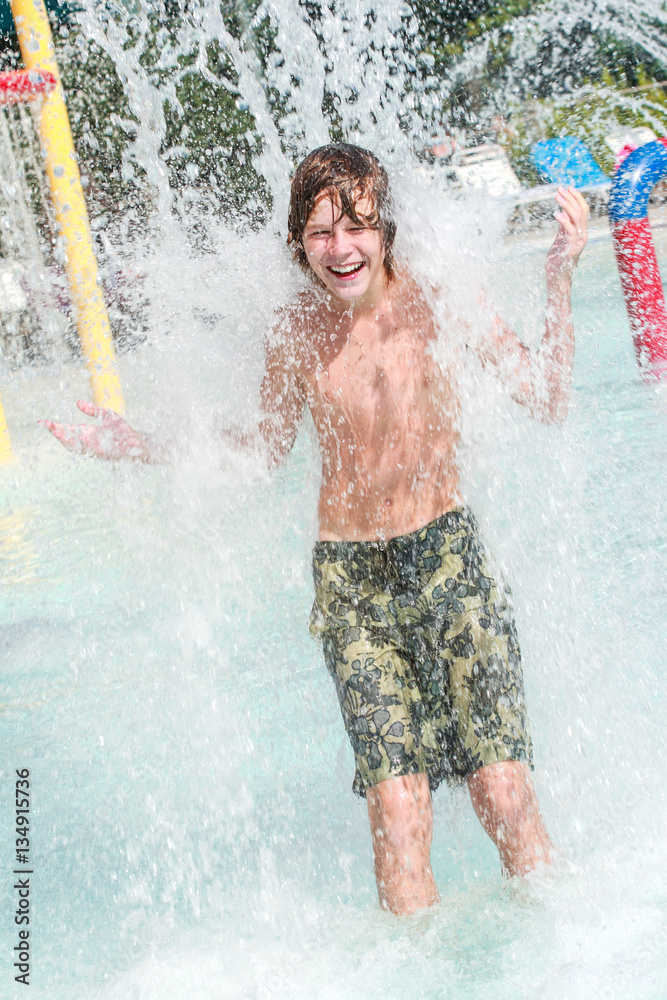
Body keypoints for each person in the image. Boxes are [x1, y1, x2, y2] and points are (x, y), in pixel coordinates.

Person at [45, 143, 588, 916]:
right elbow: (257, 450)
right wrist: (138, 445)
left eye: (356, 227)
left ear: (384, 229)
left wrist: (558, 278)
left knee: (501, 792)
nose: (341, 250)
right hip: (351, 585)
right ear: (298, 242)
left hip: (449, 561)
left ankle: (563, 956)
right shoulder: (295, 332)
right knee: (398, 816)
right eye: (321, 233)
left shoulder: (438, 300)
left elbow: (546, 397)